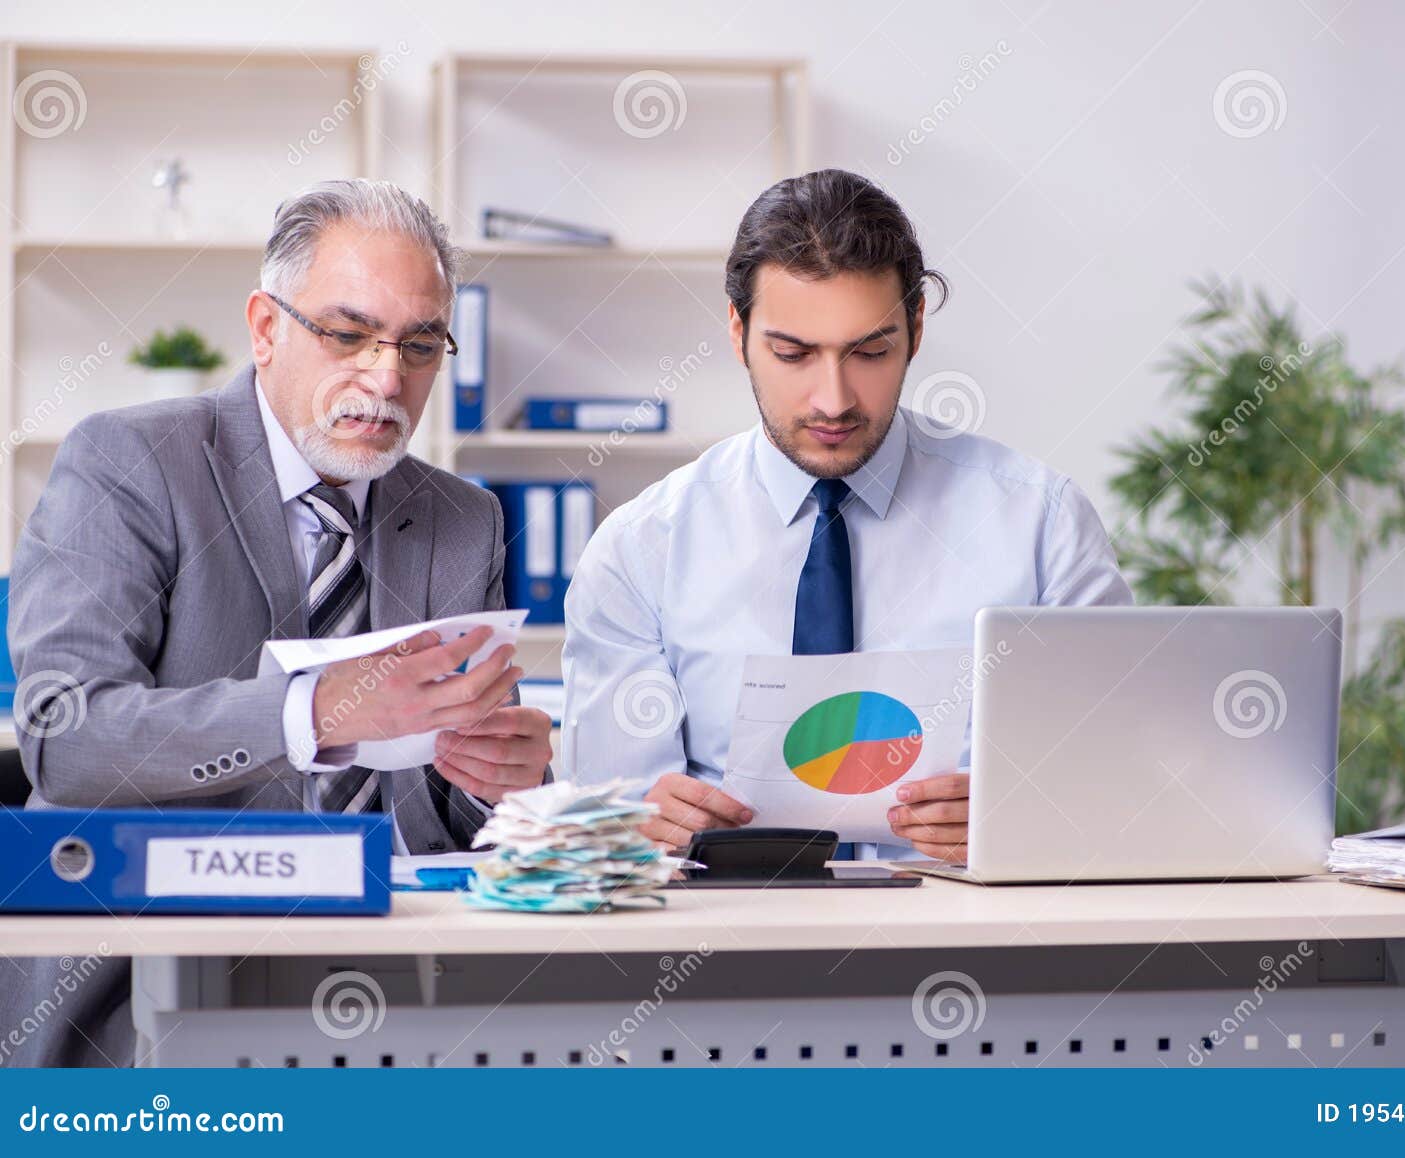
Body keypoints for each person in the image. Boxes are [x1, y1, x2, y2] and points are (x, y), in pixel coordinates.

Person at [2, 178, 552, 1066]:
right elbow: (65, 737)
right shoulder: (132, 461)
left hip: (409, 994)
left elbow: (452, 815)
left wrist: (502, 781)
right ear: (266, 329)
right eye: (347, 334)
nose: (386, 378)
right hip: (148, 986)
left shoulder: (464, 518)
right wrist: (314, 713)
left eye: (419, 344)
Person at [562, 168, 1131, 863]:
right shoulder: (639, 549)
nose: (833, 400)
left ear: (916, 329)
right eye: (793, 353)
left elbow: (1119, 787)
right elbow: (602, 818)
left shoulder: (1041, 525)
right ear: (738, 331)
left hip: (971, 943)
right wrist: (630, 822)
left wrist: (1031, 818)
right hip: (724, 947)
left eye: (869, 352)